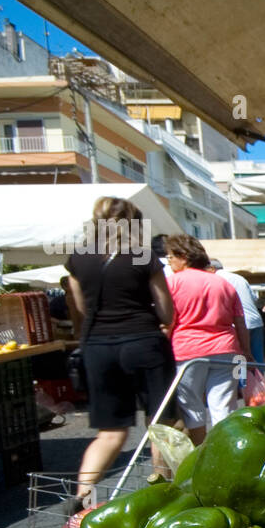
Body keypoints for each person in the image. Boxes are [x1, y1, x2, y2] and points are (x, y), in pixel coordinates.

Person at [64, 196, 176, 509]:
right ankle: (160, 494)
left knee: (110, 433)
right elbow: (166, 311)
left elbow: (83, 307)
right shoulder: (142, 255)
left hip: (98, 347)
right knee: (160, 425)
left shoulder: (78, 259)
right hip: (143, 342)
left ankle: (83, 496)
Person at [164, 234, 251, 446]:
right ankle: (226, 451)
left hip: (187, 351)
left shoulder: (172, 282)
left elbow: (169, 320)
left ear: (183, 256)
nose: (168, 261)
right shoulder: (223, 284)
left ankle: (200, 455)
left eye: (171, 256)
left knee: (191, 407)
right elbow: (240, 322)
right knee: (224, 405)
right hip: (226, 349)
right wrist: (246, 352)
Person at [209, 258, 265, 364]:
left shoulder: (217, 280)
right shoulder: (239, 278)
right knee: (257, 359)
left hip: (240, 323)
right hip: (256, 321)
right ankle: (261, 380)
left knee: (241, 360)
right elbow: (254, 299)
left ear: (212, 269)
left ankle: (243, 381)